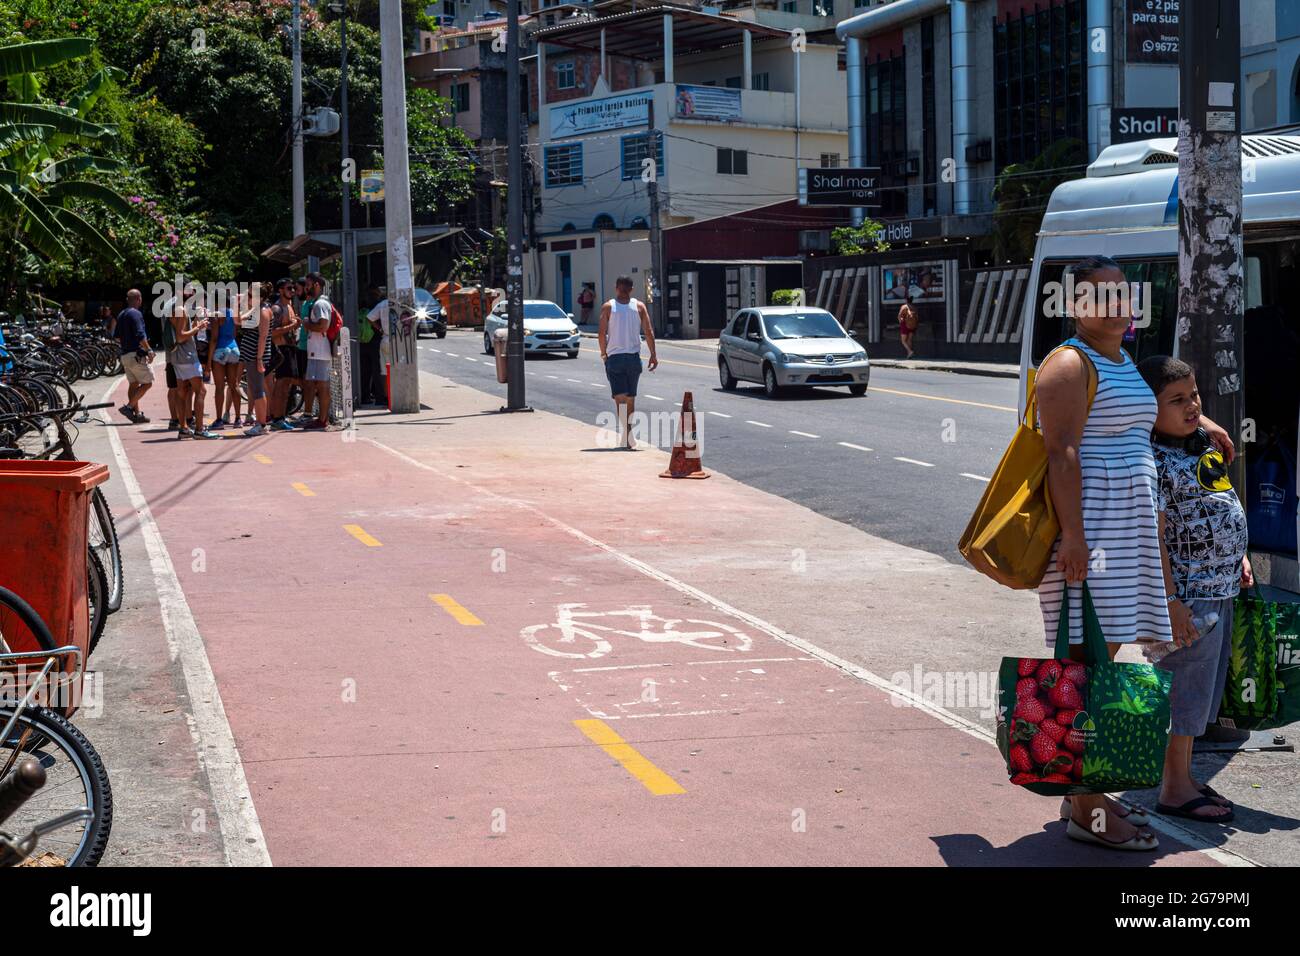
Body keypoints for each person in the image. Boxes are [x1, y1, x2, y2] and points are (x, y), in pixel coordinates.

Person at [1034, 255, 1234, 851]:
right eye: (1103, 297)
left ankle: (1083, 795)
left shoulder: (1119, 360)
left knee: (1103, 658)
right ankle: (1088, 811)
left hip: (1127, 536)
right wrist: (1073, 538)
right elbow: (1061, 453)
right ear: (1076, 306)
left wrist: (1208, 424)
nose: (1119, 307)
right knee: (1085, 666)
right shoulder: (1070, 363)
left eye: (1125, 295)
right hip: (1092, 536)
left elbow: (1151, 414)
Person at [1138, 355, 1251, 824]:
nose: (1192, 406)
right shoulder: (1155, 459)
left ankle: (1183, 775)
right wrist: (1169, 602)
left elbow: (1220, 499)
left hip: (1218, 585)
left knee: (1201, 687)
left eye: (1195, 396)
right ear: (1150, 409)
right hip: (1187, 594)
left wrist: (1236, 553)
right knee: (1183, 691)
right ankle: (1174, 788)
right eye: (1177, 400)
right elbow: (1157, 534)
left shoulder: (1198, 444)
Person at [597, 276, 657, 450]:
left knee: (619, 399)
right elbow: (648, 331)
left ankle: (627, 434)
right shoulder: (639, 307)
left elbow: (601, 333)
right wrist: (653, 354)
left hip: (615, 358)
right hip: (633, 358)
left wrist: (603, 353)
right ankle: (629, 435)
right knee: (630, 399)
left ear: (616, 288)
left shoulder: (608, 307)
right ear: (631, 289)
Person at [167, 298, 219, 439]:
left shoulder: (173, 308)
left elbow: (181, 331)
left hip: (177, 357)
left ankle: (183, 428)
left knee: (182, 391)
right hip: (187, 357)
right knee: (201, 391)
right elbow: (181, 337)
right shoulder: (181, 310)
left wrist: (196, 323)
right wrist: (198, 327)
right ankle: (200, 430)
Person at [113, 289, 154, 424]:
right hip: (135, 355)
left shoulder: (122, 314)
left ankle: (136, 415)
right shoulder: (136, 314)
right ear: (138, 299)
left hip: (125, 355)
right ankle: (129, 407)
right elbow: (140, 334)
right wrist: (148, 350)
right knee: (147, 383)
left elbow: (117, 338)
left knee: (133, 384)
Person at [299, 272, 333, 429]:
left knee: (322, 385)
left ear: (317, 285)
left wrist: (307, 324)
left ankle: (323, 420)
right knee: (317, 383)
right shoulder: (317, 303)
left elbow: (323, 326)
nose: (306, 288)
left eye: (308, 285)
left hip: (320, 350)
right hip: (316, 350)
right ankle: (321, 418)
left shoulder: (320, 304)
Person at [268, 279, 301, 431]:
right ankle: (277, 418)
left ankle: (280, 416)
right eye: (289, 288)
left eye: (293, 288)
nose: (292, 291)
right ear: (281, 290)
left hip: (290, 348)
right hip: (281, 349)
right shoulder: (277, 308)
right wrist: (291, 326)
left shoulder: (289, 306)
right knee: (281, 385)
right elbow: (272, 332)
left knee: (286, 385)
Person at [208, 300, 243, 428]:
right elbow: (234, 333)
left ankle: (219, 420)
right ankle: (238, 419)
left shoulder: (216, 315)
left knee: (219, 387)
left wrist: (208, 361)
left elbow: (214, 338)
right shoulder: (233, 313)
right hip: (234, 349)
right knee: (234, 385)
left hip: (220, 350)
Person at [358, 285, 385, 407]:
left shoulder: (361, 304)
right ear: (377, 292)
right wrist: (379, 328)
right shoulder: (379, 304)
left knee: (365, 371)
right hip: (375, 340)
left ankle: (364, 396)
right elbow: (371, 319)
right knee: (377, 370)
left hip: (363, 341)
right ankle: (379, 397)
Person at [898, 292, 918, 359]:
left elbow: (899, 316)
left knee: (903, 341)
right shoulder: (914, 307)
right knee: (909, 340)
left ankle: (910, 351)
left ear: (906, 300)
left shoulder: (904, 306)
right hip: (912, 325)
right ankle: (909, 355)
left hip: (905, 325)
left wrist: (900, 322)